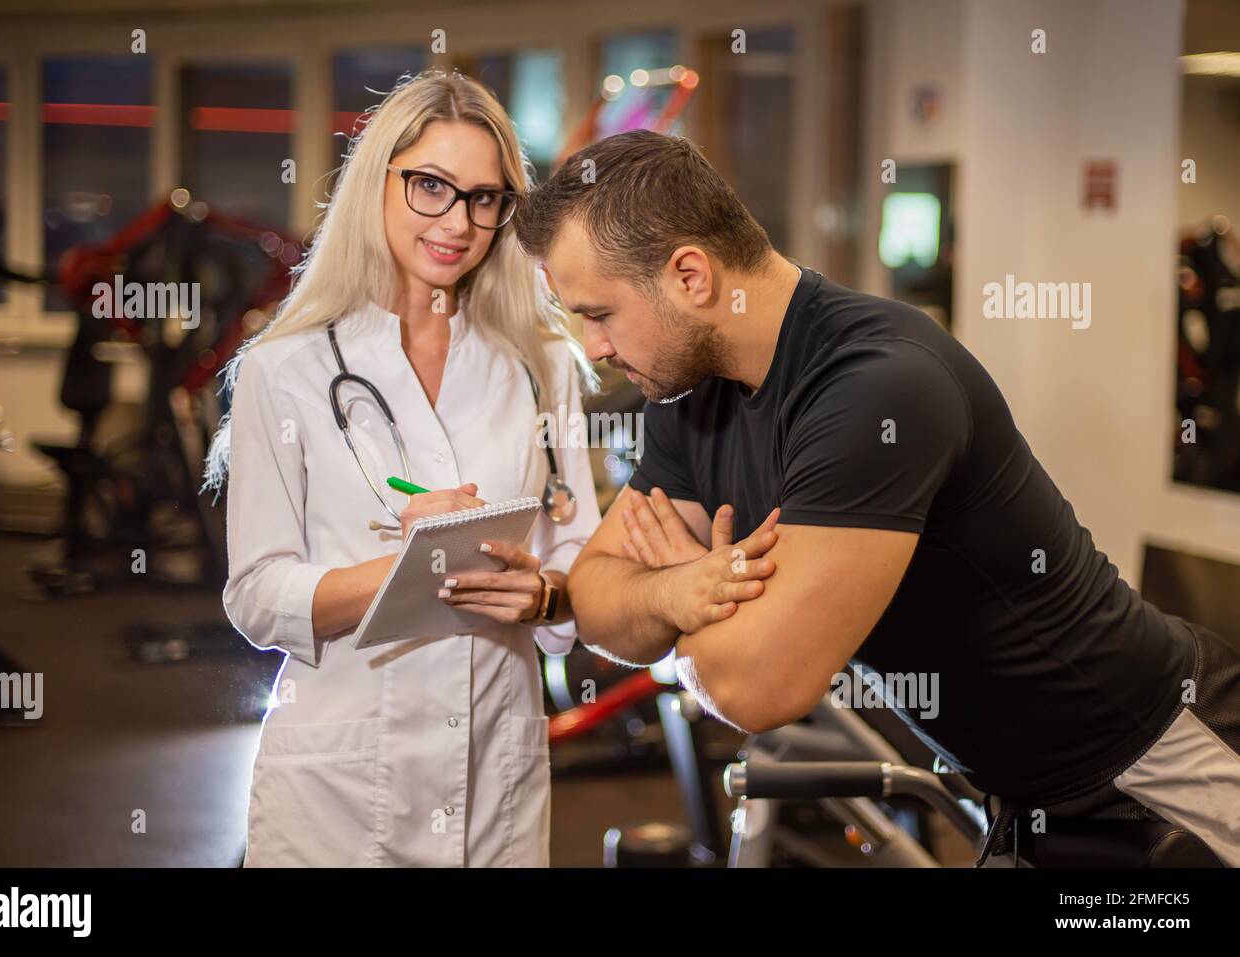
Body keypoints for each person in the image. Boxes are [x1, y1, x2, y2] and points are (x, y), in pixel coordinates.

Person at [513, 128, 1240, 866]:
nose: (593, 345)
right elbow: (596, 596)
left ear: (691, 275)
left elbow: (758, 686)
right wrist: (683, 588)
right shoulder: (686, 396)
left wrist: (673, 613)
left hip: (1162, 772)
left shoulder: (877, 386)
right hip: (1026, 801)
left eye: (599, 313)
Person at [204, 71, 600, 867]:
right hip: (336, 793)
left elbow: (576, 562)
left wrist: (546, 593)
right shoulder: (285, 370)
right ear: (375, 182)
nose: (458, 221)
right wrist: (409, 571)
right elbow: (255, 593)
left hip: (497, 771)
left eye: (485, 198)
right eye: (430, 186)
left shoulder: (541, 365)